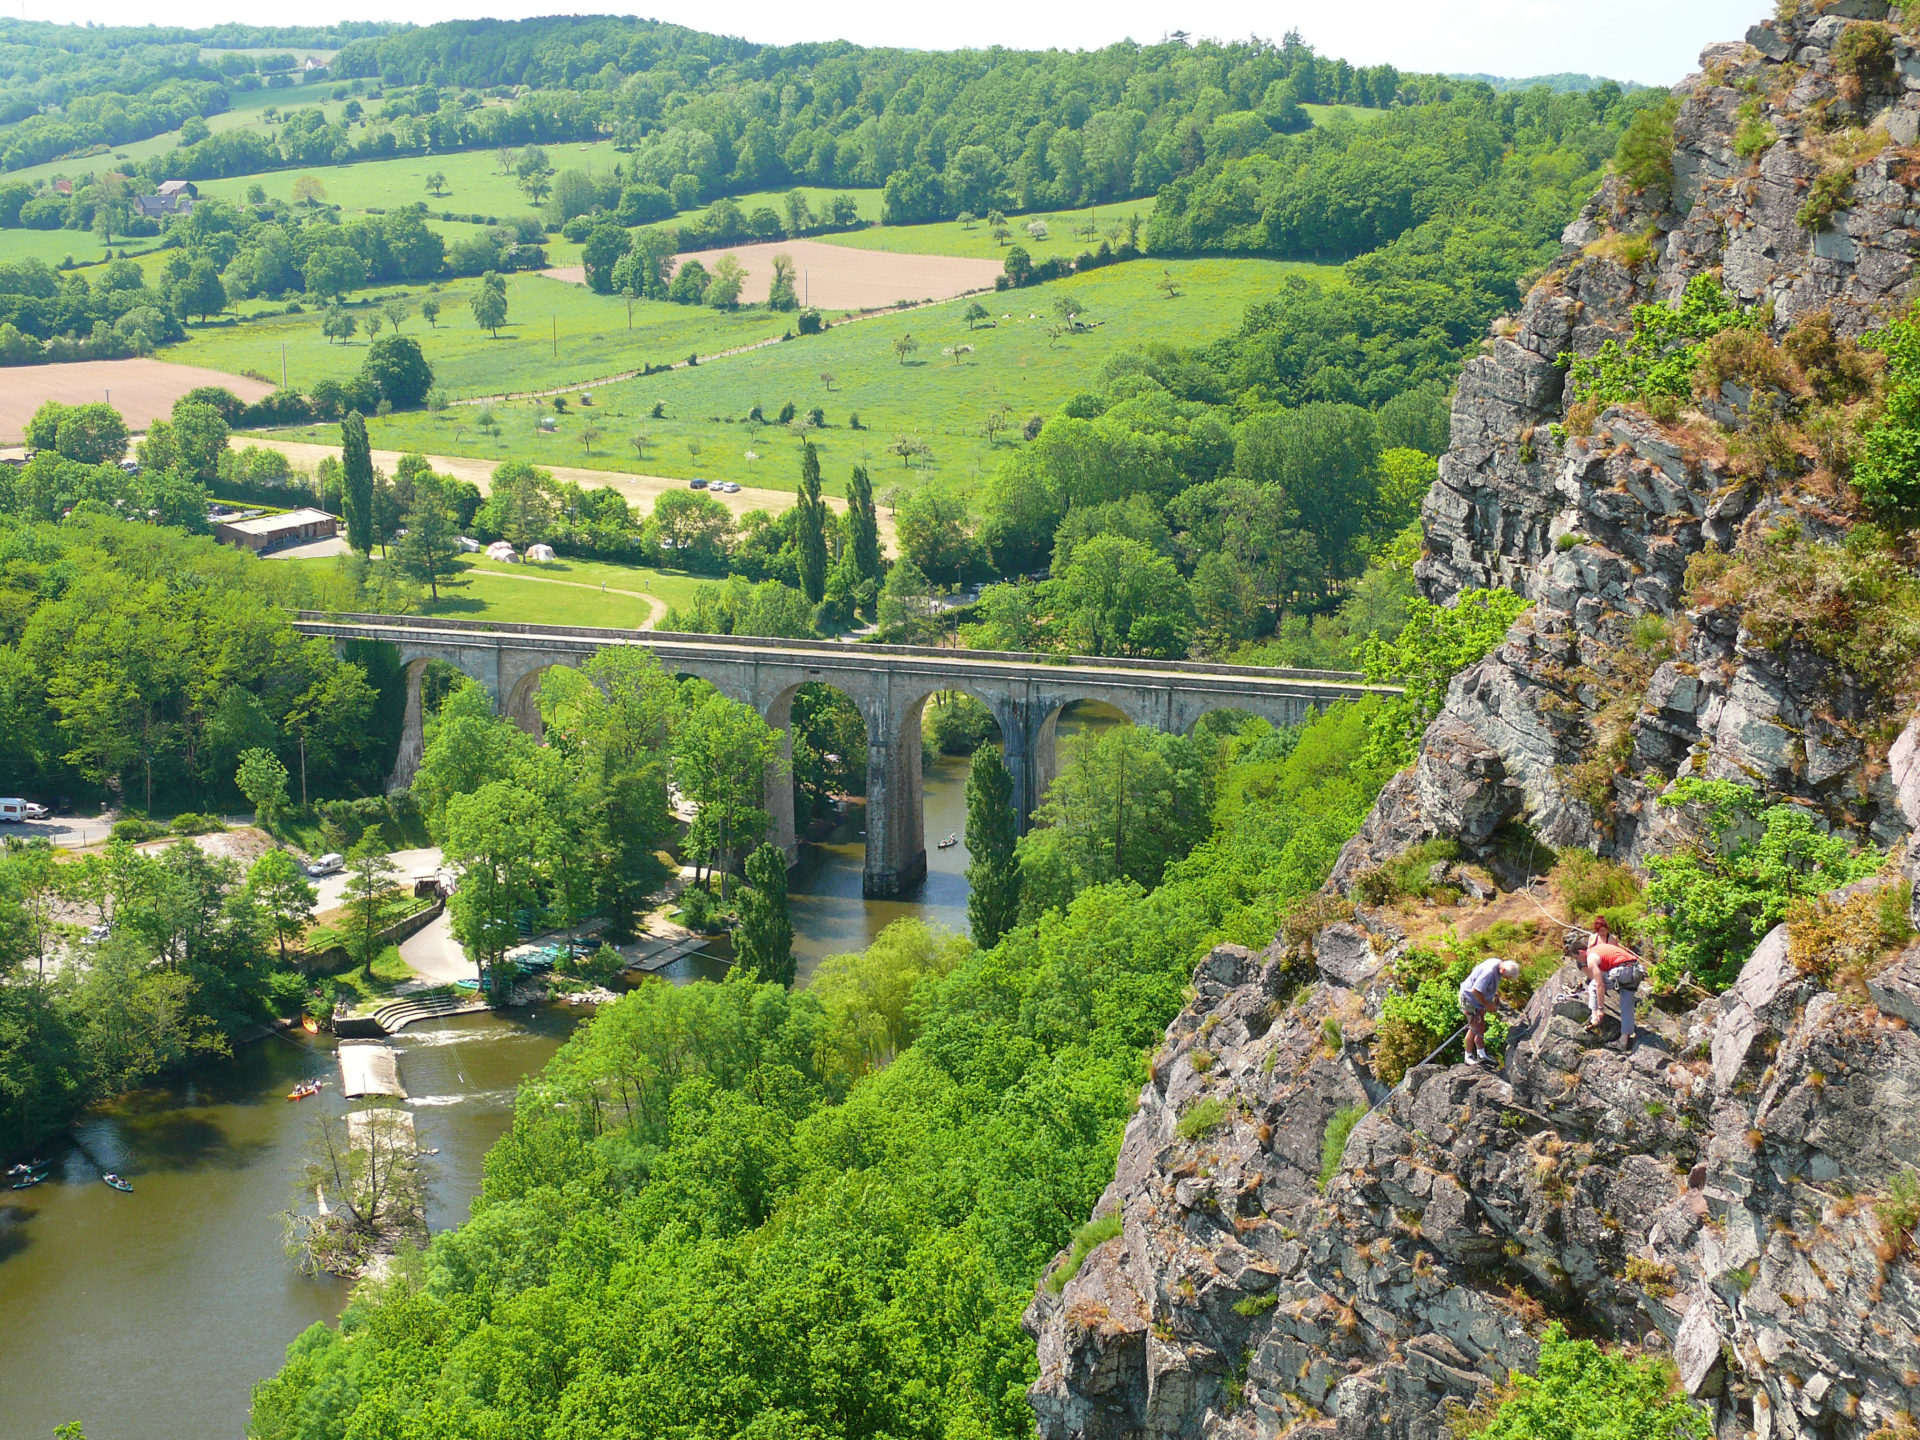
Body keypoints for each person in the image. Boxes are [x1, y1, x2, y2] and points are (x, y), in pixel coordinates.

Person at [1584, 916, 1645, 1051]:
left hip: (1620, 971)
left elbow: (1600, 982)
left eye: (1603, 930)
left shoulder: (1610, 941)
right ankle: (1623, 1041)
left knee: (1594, 985)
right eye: (1599, 931)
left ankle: (1595, 1017)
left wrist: (1600, 1008)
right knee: (1626, 1007)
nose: (1601, 933)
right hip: (1635, 970)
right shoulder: (1592, 939)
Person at [1459, 958, 1520, 1067]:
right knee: (1474, 1028)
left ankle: (1481, 1054)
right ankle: (1468, 1056)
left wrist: (1494, 994)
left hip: (1479, 999)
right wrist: (1487, 1005)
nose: (1506, 979)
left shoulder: (1498, 963)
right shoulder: (1489, 972)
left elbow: (1488, 983)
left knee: (1481, 1025)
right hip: (1469, 999)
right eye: (1507, 977)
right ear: (1503, 970)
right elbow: (1475, 990)